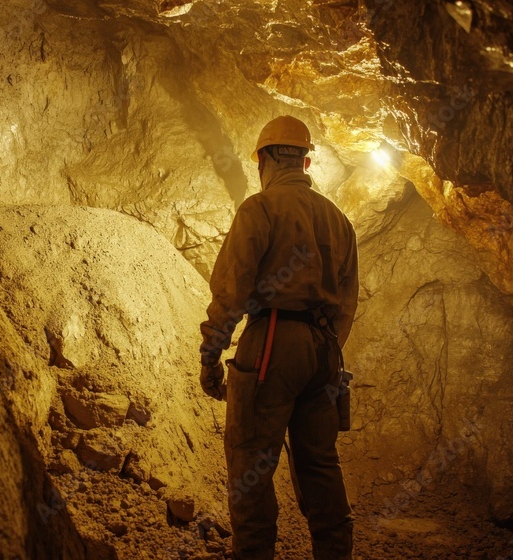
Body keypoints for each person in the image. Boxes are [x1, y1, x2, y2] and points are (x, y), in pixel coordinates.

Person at [198, 116, 359, 560]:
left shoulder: (260, 209)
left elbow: (232, 291)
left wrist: (212, 355)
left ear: (265, 159)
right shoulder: (339, 220)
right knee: (320, 464)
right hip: (324, 351)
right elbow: (347, 302)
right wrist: (327, 348)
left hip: (271, 340)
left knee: (251, 462)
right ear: (305, 160)